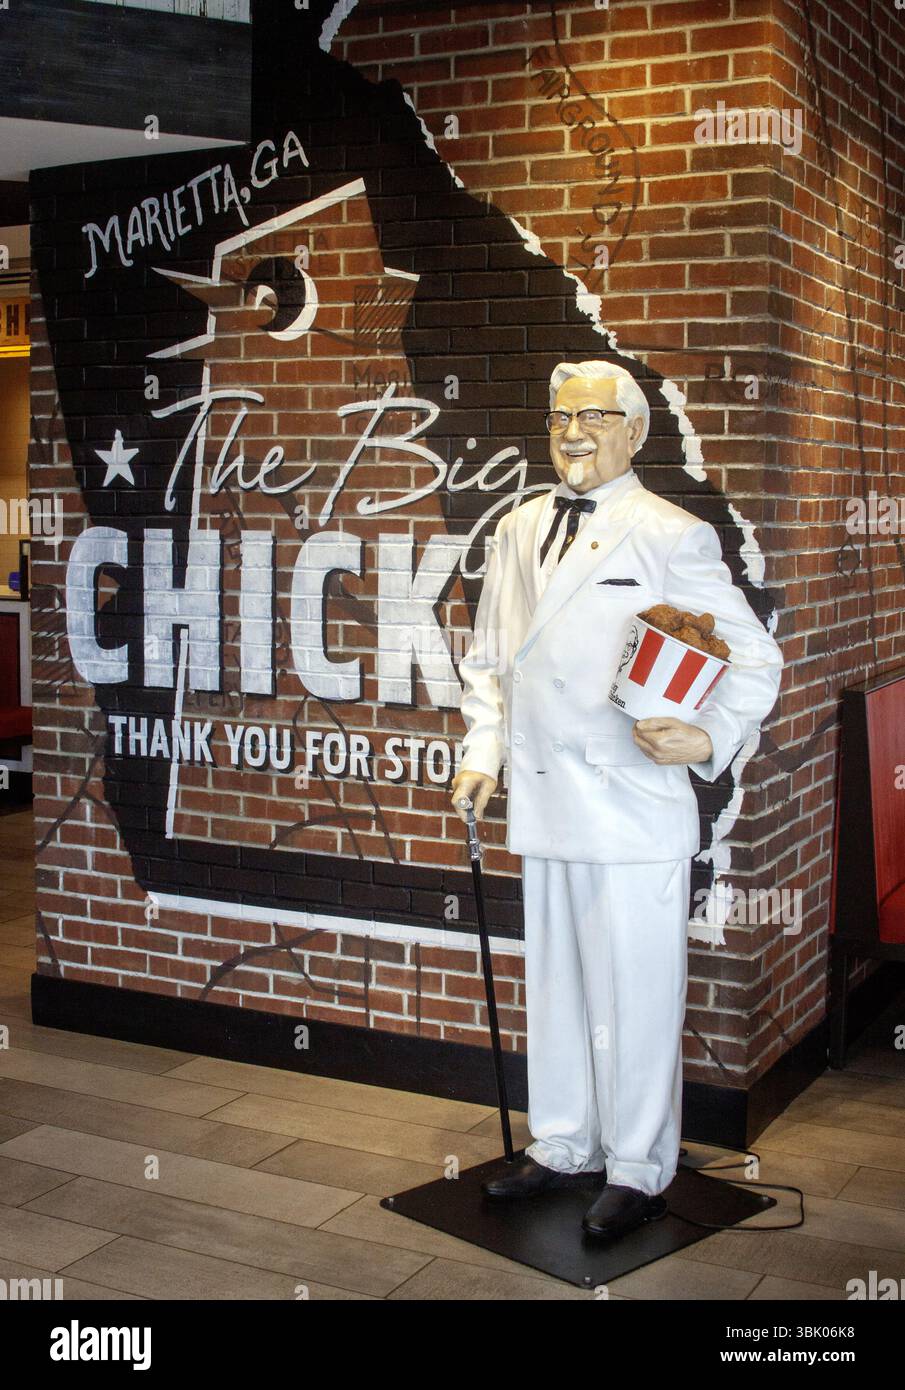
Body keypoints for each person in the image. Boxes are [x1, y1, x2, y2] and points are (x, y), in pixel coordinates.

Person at [451, 360, 783, 1242]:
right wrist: (483, 751)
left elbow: (754, 659)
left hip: (633, 802)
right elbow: (490, 658)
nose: (573, 431)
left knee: (635, 992)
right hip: (548, 800)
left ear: (636, 432)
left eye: (596, 416)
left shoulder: (671, 533)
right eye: (560, 414)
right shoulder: (518, 527)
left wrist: (706, 734)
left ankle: (638, 1165)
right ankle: (562, 1142)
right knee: (555, 985)